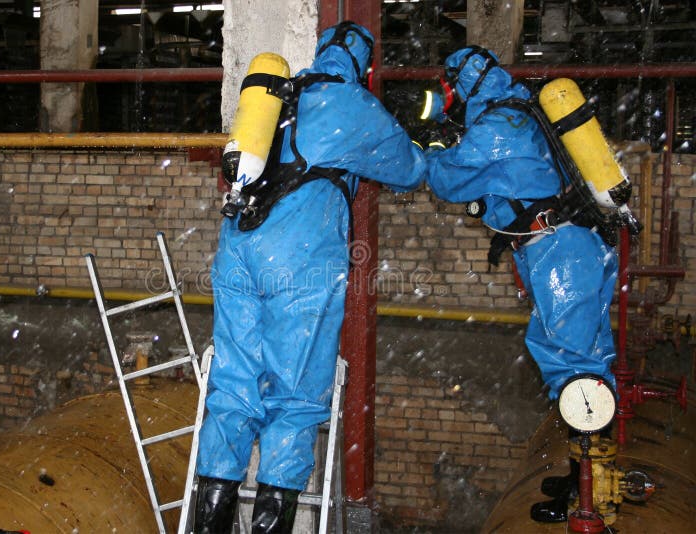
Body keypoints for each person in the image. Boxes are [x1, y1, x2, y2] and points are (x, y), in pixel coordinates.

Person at [193, 21, 428, 534]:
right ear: (361, 66)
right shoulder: (348, 102)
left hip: (236, 250)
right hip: (297, 260)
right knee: (295, 397)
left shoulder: (281, 96)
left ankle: (209, 520)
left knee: (234, 387)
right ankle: (270, 524)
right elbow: (410, 168)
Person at [422, 46, 618, 401]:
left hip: (559, 252)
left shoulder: (495, 129)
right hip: (576, 244)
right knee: (589, 362)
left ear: (460, 85)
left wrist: (432, 147)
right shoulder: (522, 110)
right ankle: (591, 449)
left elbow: (446, 180)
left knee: (578, 377)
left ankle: (589, 447)